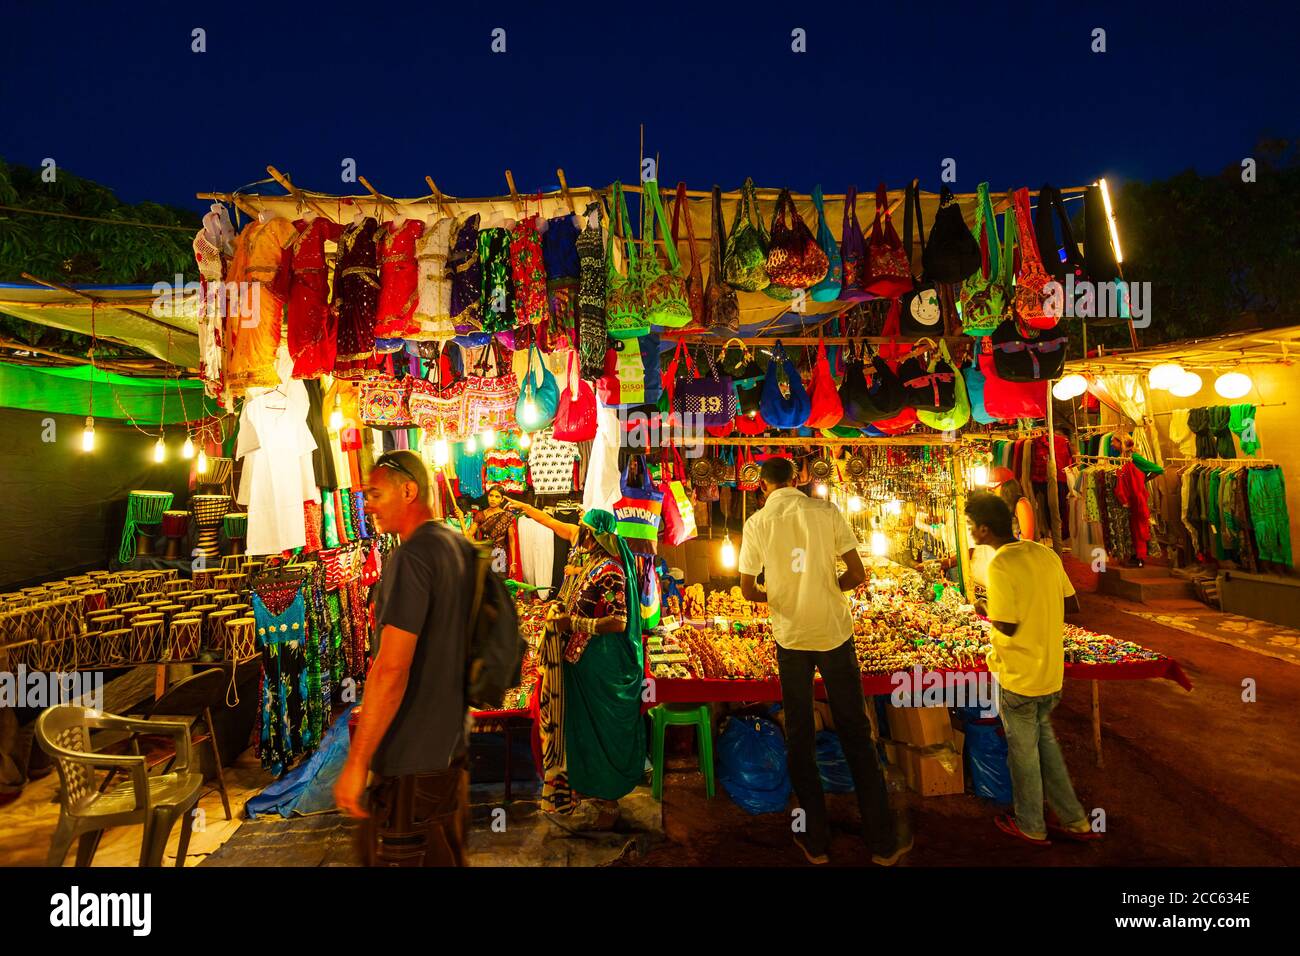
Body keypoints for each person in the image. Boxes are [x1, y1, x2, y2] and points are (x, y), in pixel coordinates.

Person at [737, 457, 910, 866]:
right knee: (855, 731)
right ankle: (882, 842)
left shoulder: (758, 523)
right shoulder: (826, 510)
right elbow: (857, 573)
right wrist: (827, 589)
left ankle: (816, 841)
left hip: (792, 638)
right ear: (796, 479)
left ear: (762, 485)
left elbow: (747, 590)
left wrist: (780, 597)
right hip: (834, 634)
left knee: (800, 735)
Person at [335, 449, 476, 866]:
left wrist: (357, 762)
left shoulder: (411, 558)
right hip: (450, 750)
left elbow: (392, 669)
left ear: (409, 490)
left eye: (376, 494)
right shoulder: (455, 544)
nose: (368, 505)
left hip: (411, 759)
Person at [964, 492, 1099, 846]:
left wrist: (982, 609)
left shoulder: (1001, 564)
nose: (969, 533)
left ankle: (1031, 825)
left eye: (969, 527)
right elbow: (1072, 603)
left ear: (983, 528)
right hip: (1050, 673)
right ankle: (1074, 819)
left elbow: (1005, 625)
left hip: (1019, 676)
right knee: (1046, 746)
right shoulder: (1044, 553)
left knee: (1023, 754)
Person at [504, 498, 646, 831]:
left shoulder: (609, 569)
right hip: (583, 661)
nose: (579, 534)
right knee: (581, 731)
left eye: (584, 530)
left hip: (602, 664)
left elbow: (619, 621)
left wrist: (575, 626)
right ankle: (589, 790)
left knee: (600, 733)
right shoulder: (593, 562)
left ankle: (609, 803)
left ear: (595, 535)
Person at [469, 484, 523, 579]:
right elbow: (468, 535)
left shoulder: (507, 516)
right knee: (483, 583)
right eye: (491, 495)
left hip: (499, 554)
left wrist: (513, 563)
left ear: (502, 500)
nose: (493, 499)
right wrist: (461, 517)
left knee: (498, 584)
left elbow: (511, 540)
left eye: (497, 496)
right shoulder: (480, 515)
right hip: (483, 553)